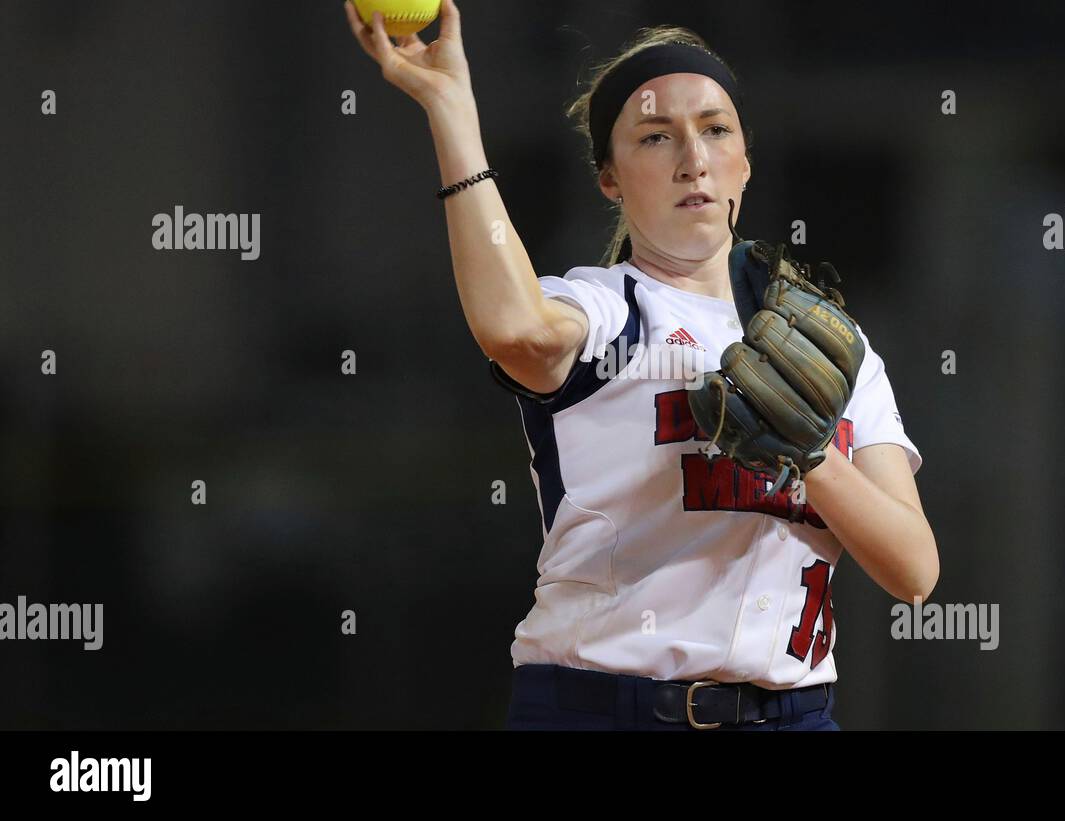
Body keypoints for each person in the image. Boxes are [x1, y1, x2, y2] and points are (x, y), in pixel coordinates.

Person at [345, 0, 940, 731]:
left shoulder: (833, 345)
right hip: (606, 708)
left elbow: (914, 570)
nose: (693, 157)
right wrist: (450, 110)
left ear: (745, 160)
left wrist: (807, 451)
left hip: (794, 716)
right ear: (610, 179)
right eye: (655, 136)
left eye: (715, 130)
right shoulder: (608, 309)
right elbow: (513, 328)